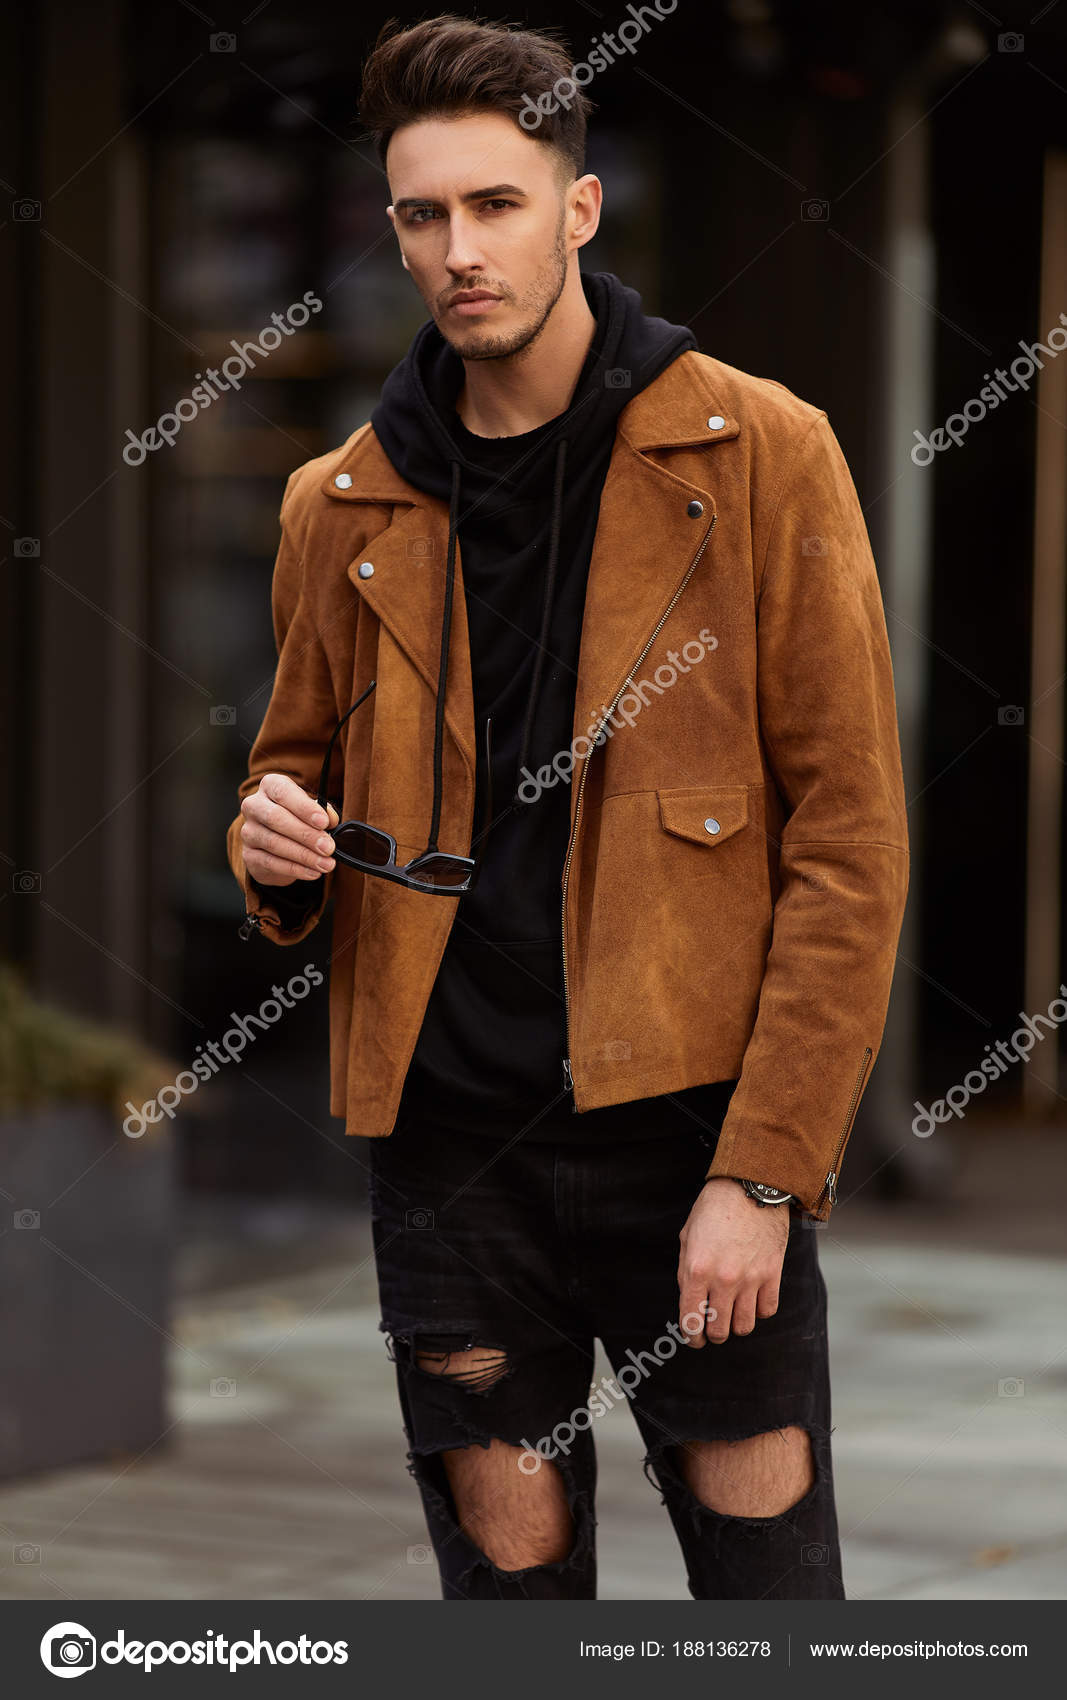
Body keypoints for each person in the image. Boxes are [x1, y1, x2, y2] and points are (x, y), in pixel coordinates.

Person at [225, 13, 909, 1600]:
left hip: (689, 1134)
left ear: (580, 209)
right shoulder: (338, 504)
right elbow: (294, 777)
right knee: (509, 1605)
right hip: (450, 1154)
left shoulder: (761, 453)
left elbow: (851, 844)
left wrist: (764, 1173)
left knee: (767, 1597)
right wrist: (273, 847)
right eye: (422, 214)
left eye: (496, 205)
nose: (459, 250)